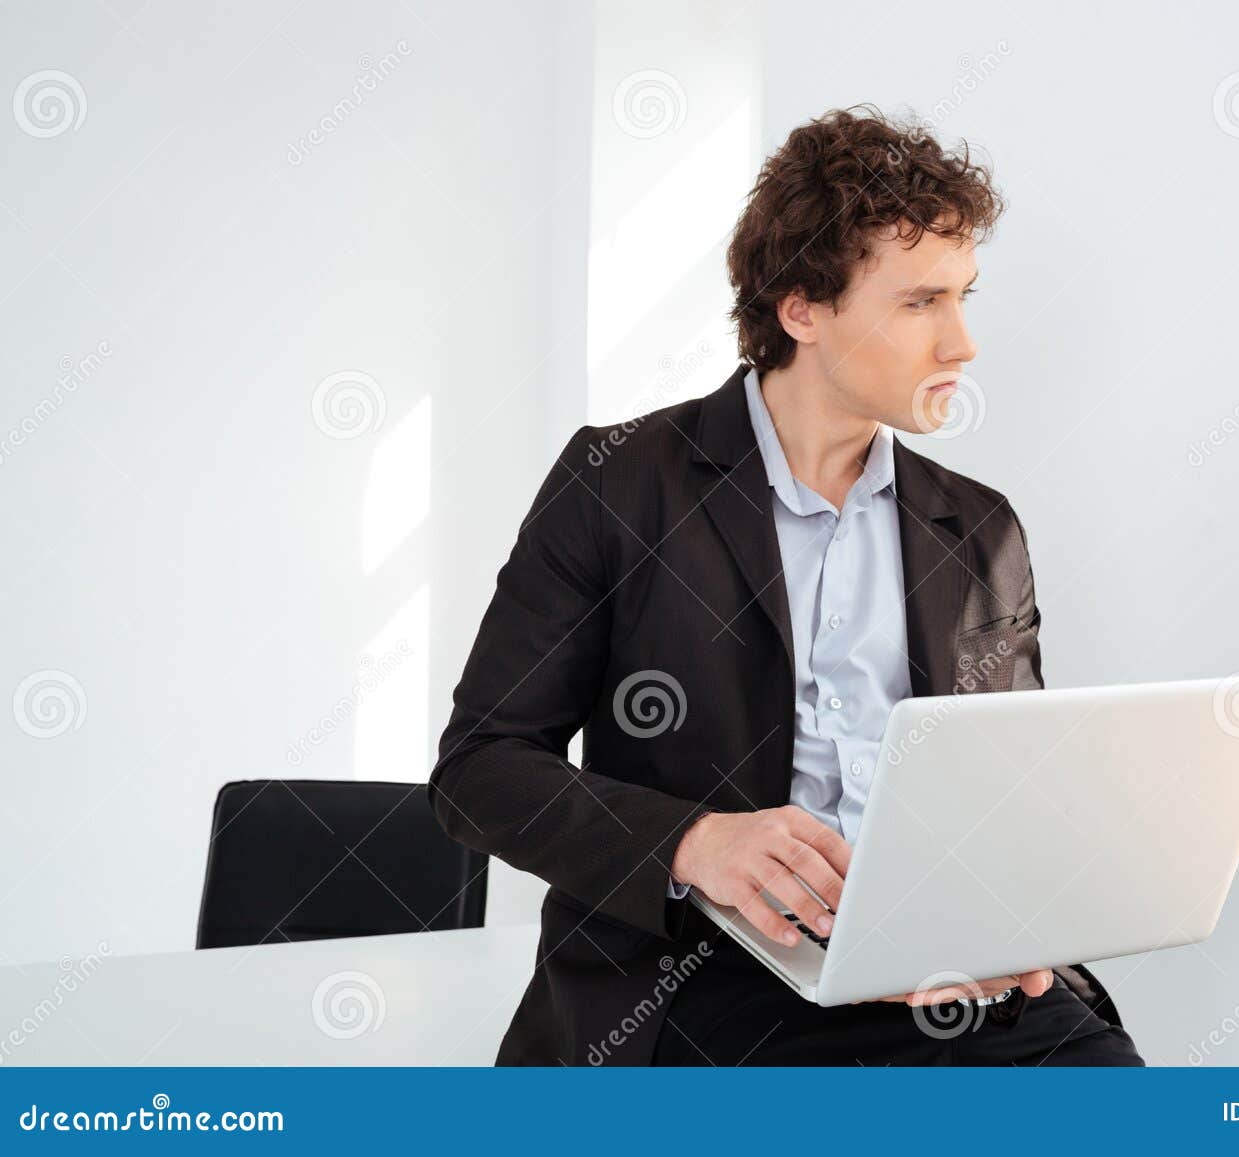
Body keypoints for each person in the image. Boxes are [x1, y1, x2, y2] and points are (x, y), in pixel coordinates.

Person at [429, 104, 1143, 1066]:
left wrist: (1007, 910)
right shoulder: (619, 484)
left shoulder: (979, 528)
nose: (962, 343)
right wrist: (693, 843)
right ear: (801, 308)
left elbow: (1004, 789)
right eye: (921, 303)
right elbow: (481, 769)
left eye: (964, 296)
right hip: (701, 982)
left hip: (942, 974)